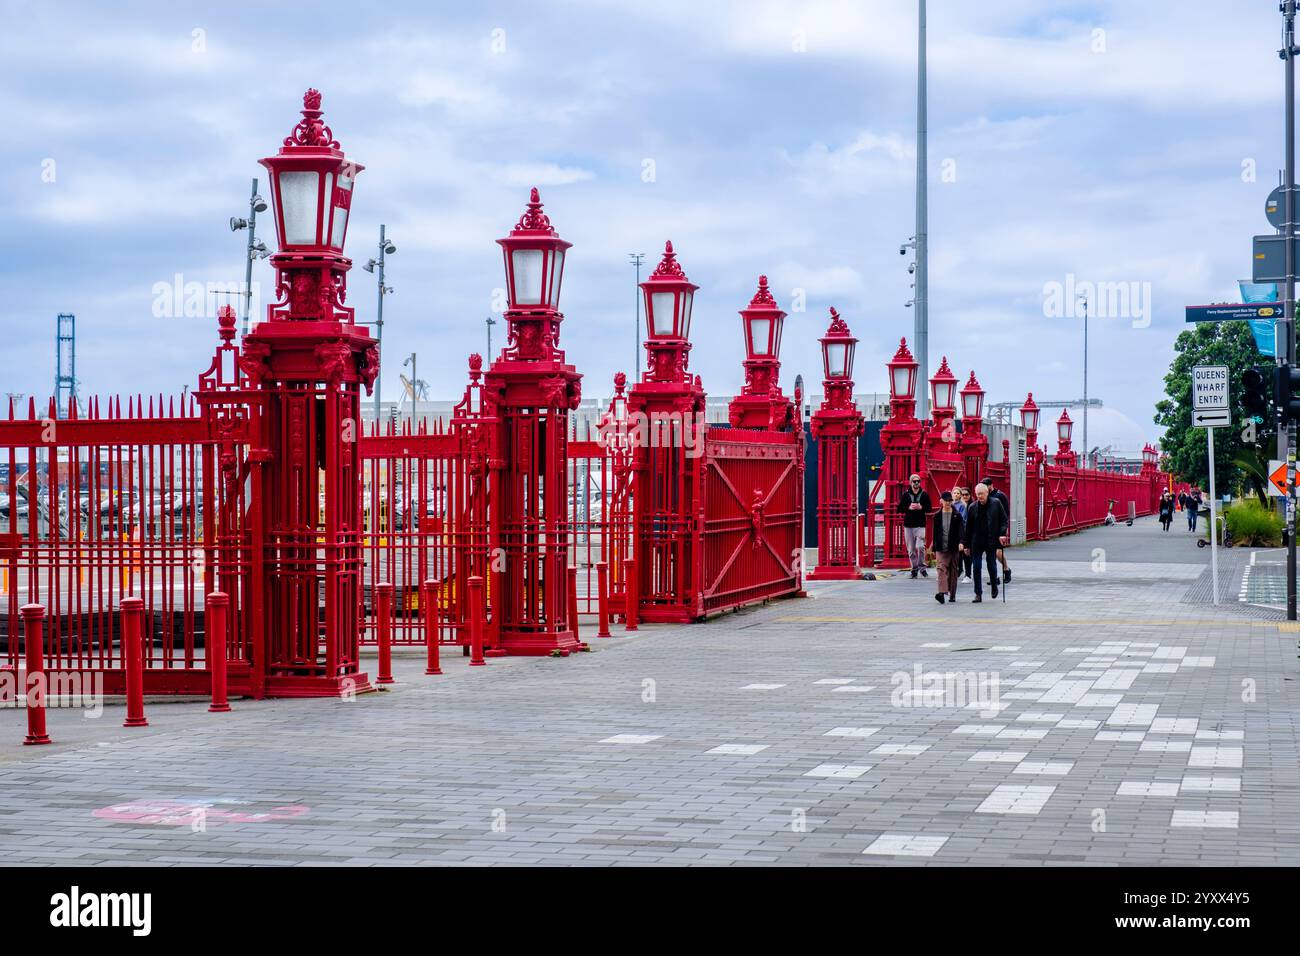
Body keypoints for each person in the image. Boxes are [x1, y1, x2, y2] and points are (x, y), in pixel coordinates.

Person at [962, 483, 1007, 603]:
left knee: (991, 564)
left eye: (981, 494)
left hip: (991, 539)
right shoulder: (972, 507)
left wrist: (1002, 534)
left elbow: (1004, 520)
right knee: (976, 567)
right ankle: (978, 593)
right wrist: (966, 545)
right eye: (977, 494)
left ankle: (994, 585)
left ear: (987, 493)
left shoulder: (996, 503)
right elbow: (968, 528)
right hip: (976, 541)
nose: (979, 496)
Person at [930, 491, 964, 604]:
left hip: (953, 547)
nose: (948, 503)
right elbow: (935, 533)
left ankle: (952, 594)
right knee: (941, 569)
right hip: (941, 547)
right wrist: (932, 546)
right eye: (946, 500)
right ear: (941, 501)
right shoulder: (937, 516)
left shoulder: (957, 515)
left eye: (950, 500)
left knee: (953, 571)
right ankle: (941, 593)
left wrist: (961, 542)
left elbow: (961, 531)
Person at [899, 474, 932, 579]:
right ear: (910, 482)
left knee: (920, 546)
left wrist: (921, 507)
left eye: (918, 481)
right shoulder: (906, 495)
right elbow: (899, 508)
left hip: (920, 524)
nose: (916, 483)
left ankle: (922, 568)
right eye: (914, 481)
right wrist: (909, 507)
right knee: (911, 550)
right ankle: (914, 569)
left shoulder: (924, 495)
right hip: (908, 525)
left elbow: (929, 509)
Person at [980, 475, 1012, 584]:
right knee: (990, 555)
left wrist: (1004, 529)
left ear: (991, 485)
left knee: (998, 553)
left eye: (986, 486)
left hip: (998, 528)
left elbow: (1005, 513)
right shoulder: (984, 496)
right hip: (987, 529)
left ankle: (1006, 569)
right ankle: (994, 577)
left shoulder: (1000, 496)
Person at [958, 488, 974, 579]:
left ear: (970, 494)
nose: (964, 496)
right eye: (963, 495)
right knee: (962, 552)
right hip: (963, 532)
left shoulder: (972, 505)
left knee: (967, 553)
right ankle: (961, 570)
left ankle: (968, 575)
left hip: (970, 533)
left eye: (966, 494)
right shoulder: (964, 505)